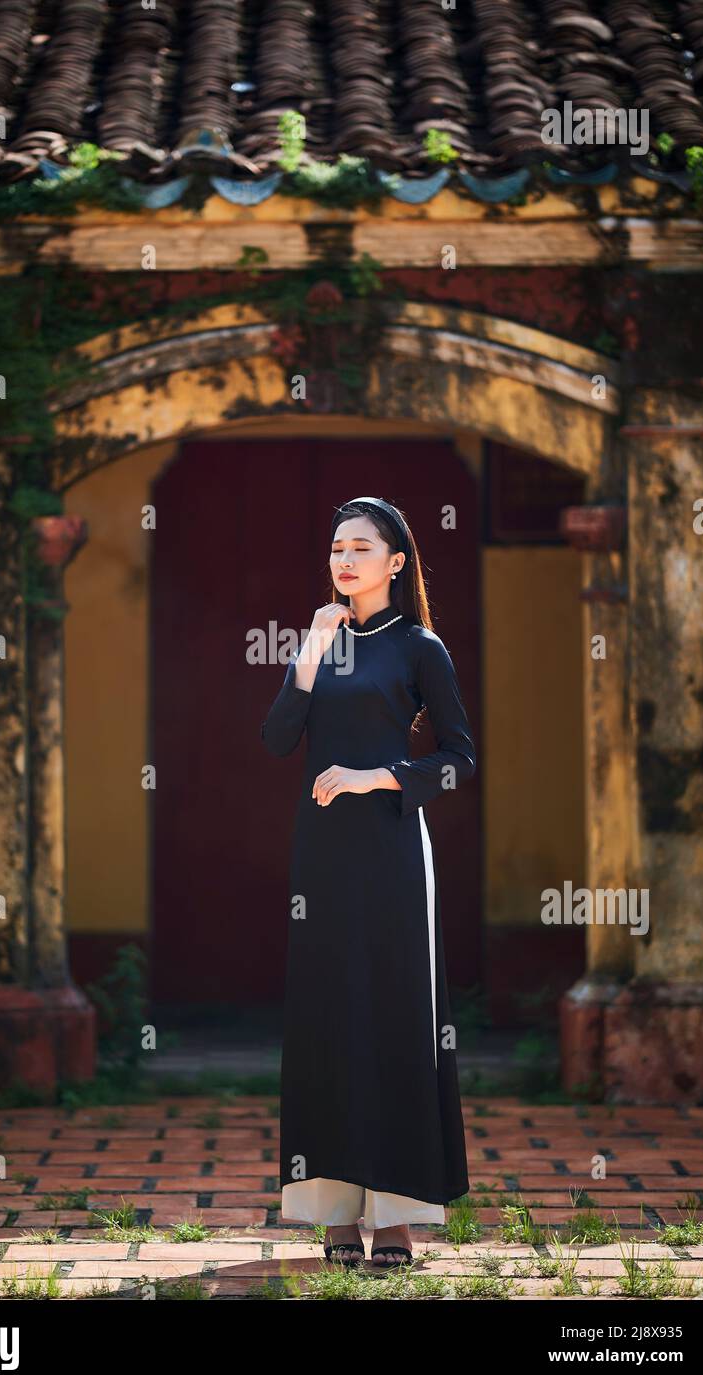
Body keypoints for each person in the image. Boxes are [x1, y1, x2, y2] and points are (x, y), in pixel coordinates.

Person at [261, 496, 477, 1267]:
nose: (344, 560)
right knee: (326, 1015)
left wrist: (373, 776)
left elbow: (458, 759)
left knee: (392, 1015)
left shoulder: (421, 648)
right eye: (335, 548)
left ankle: (393, 1216)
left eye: (361, 548)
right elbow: (279, 737)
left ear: (396, 562)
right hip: (320, 855)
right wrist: (311, 650)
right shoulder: (320, 639)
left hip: (390, 849)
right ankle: (331, 1207)